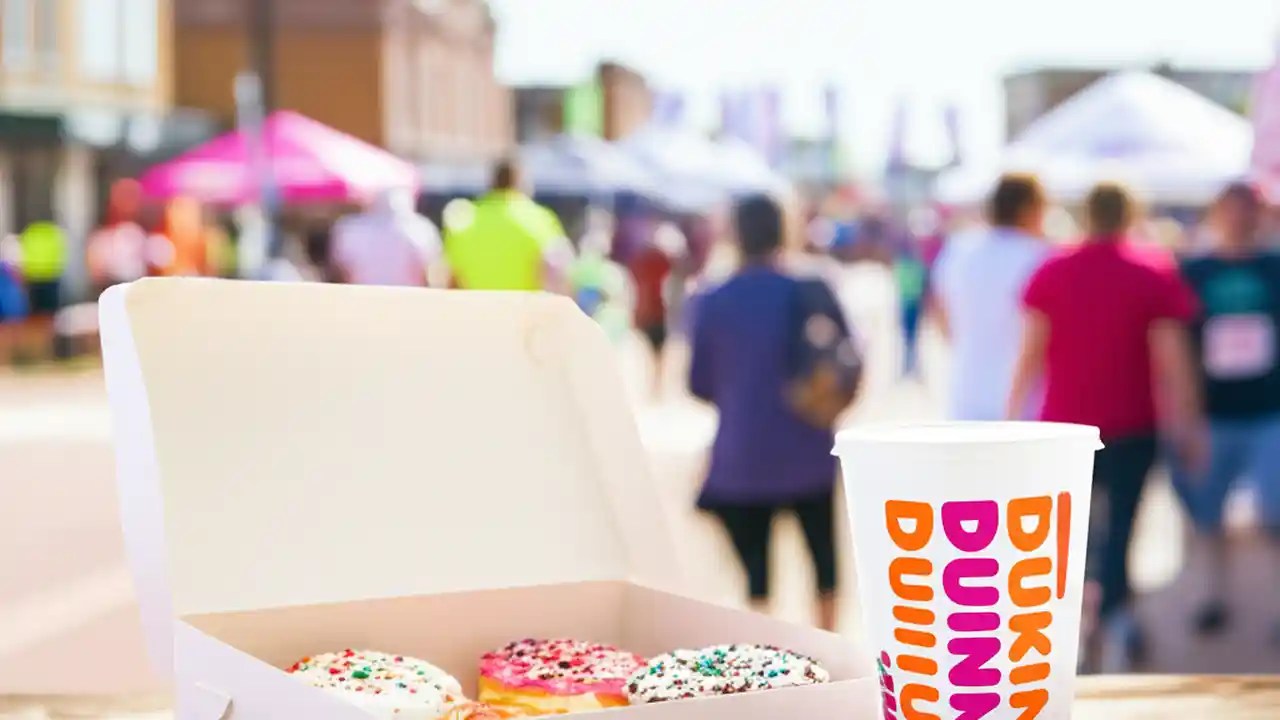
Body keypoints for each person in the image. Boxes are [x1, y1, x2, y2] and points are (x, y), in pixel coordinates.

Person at [1008, 182, 1204, 671]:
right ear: (1130, 212)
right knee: (1120, 528)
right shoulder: (1151, 268)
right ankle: (1112, 621)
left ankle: (1079, 623)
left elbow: (1030, 350)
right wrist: (1189, 422)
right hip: (1132, 425)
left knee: (1069, 532)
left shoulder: (1054, 268)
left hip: (1065, 429)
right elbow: (1172, 357)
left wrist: (1011, 416)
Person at [688, 194, 854, 632]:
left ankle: (767, 660)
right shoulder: (813, 286)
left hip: (742, 452)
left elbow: (697, 383)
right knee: (823, 558)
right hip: (810, 445)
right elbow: (850, 359)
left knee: (756, 577)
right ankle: (828, 649)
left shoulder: (712, 296)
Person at [1175, 182, 1280, 637]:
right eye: (1230, 211)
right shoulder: (1194, 270)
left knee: (1274, 514)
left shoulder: (1274, 267)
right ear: (1219, 214)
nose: (1238, 219)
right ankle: (1211, 596)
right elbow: (1177, 345)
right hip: (1213, 414)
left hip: (1268, 411)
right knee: (1206, 513)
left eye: (1246, 211)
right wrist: (1186, 413)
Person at [933, 174, 1050, 420]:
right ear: (1030, 209)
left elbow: (941, 316)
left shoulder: (959, 250)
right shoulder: (1041, 257)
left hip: (965, 393)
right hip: (1026, 403)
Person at [443, 159, 572, 292]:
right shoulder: (540, 219)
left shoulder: (465, 219)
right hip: (524, 309)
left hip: (476, 309)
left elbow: (451, 278)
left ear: (491, 182)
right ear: (520, 181)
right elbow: (560, 274)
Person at [331, 188, 441, 287]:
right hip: (406, 300)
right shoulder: (421, 229)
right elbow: (430, 273)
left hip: (362, 299)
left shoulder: (351, 229)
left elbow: (340, 272)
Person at [16, 218, 67, 359]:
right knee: (45, 320)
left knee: (38, 320)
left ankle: (39, 354)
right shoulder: (55, 232)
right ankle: (44, 354)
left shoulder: (29, 233)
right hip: (48, 278)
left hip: (36, 278)